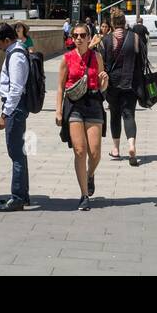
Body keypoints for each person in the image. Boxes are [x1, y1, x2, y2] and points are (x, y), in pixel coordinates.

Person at [56, 22, 108, 210]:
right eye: (75, 35)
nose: (79, 38)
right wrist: (58, 110)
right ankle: (84, 195)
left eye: (82, 35)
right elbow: (60, 87)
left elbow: (102, 86)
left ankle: (90, 174)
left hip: (93, 104)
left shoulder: (97, 57)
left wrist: (105, 81)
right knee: (79, 150)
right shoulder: (67, 58)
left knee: (95, 153)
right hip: (74, 105)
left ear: (89, 37)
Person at [0, 21, 31, 213]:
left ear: (7, 40)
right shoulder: (15, 52)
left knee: (16, 154)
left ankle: (18, 197)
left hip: (15, 109)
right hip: (15, 107)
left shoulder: (16, 56)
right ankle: (22, 195)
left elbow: (16, 89)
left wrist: (4, 114)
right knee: (18, 153)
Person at [102, 9, 142, 165]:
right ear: (124, 22)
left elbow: (104, 63)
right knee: (129, 114)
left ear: (112, 23)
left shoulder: (106, 40)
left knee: (115, 114)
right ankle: (131, 145)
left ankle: (116, 149)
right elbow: (140, 60)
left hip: (112, 83)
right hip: (130, 81)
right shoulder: (135, 37)